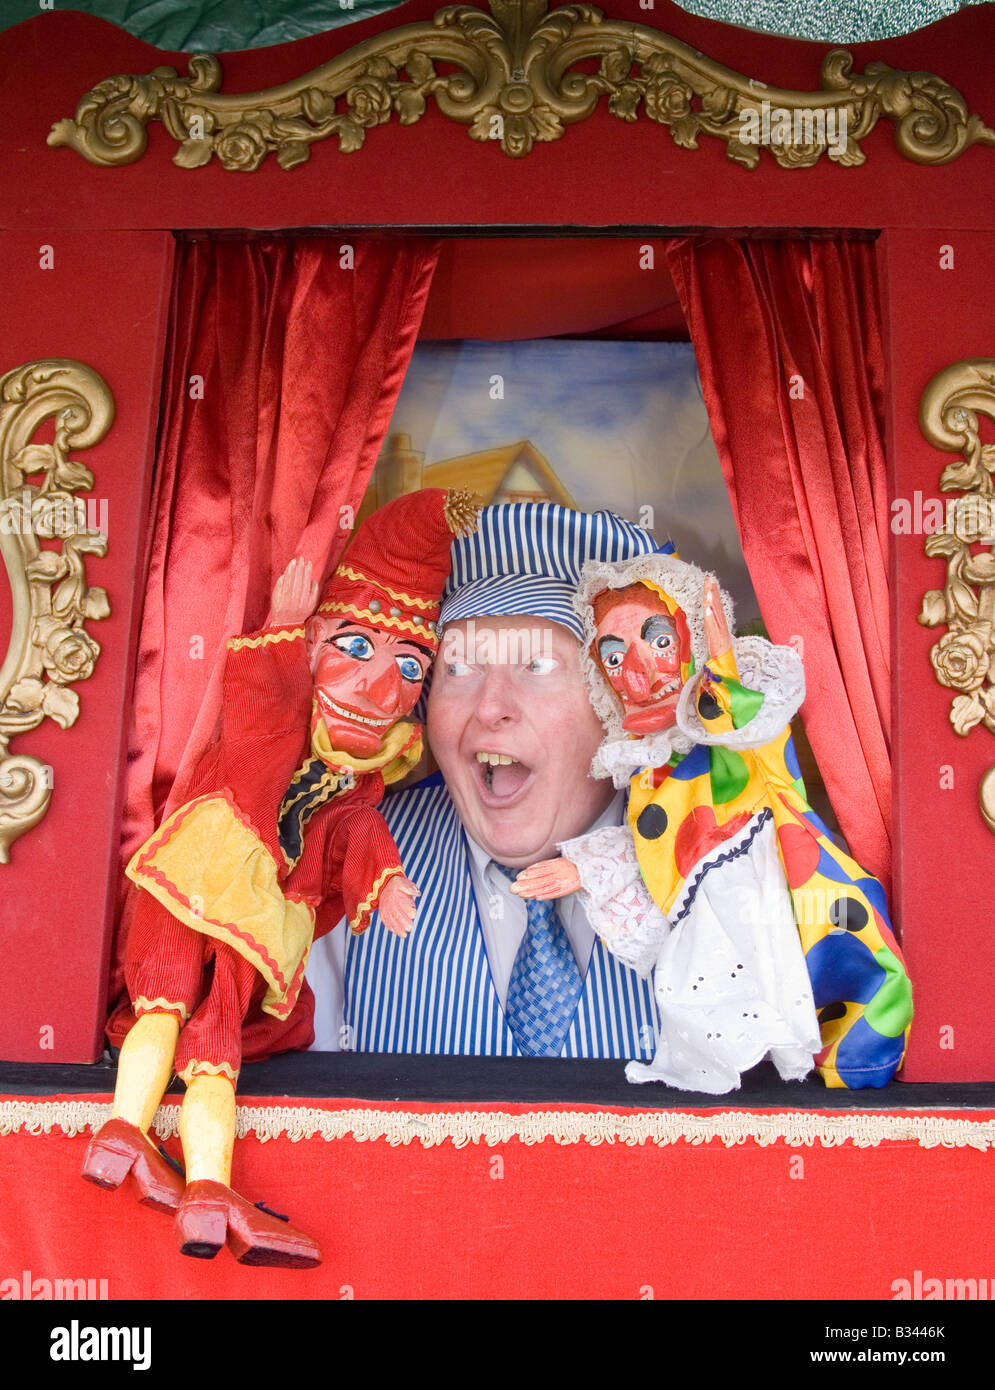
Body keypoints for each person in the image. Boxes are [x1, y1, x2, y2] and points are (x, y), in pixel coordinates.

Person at [84, 489, 476, 1266]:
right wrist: (280, 636)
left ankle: (189, 1179)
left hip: (255, 913)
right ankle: (129, 1132)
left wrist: (378, 882)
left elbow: (354, 834)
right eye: (355, 648)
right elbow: (260, 702)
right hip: (201, 872)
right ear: (318, 646)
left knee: (211, 1043)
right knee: (166, 1007)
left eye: (408, 667)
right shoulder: (283, 719)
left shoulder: (359, 783)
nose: (381, 687)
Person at [513, 548, 913, 1093]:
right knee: (691, 994)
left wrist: (723, 670)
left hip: (768, 886)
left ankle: (848, 1060)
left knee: (793, 973)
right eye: (613, 658)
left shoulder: (739, 727)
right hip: (702, 900)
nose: (636, 673)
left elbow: (750, 728)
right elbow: (656, 839)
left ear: (693, 642)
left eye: (659, 642)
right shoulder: (649, 762)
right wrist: (585, 871)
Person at [306, 503, 665, 1058]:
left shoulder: (710, 866)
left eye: (538, 667)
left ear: (617, 706)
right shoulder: (339, 862)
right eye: (459, 668)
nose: (491, 708)